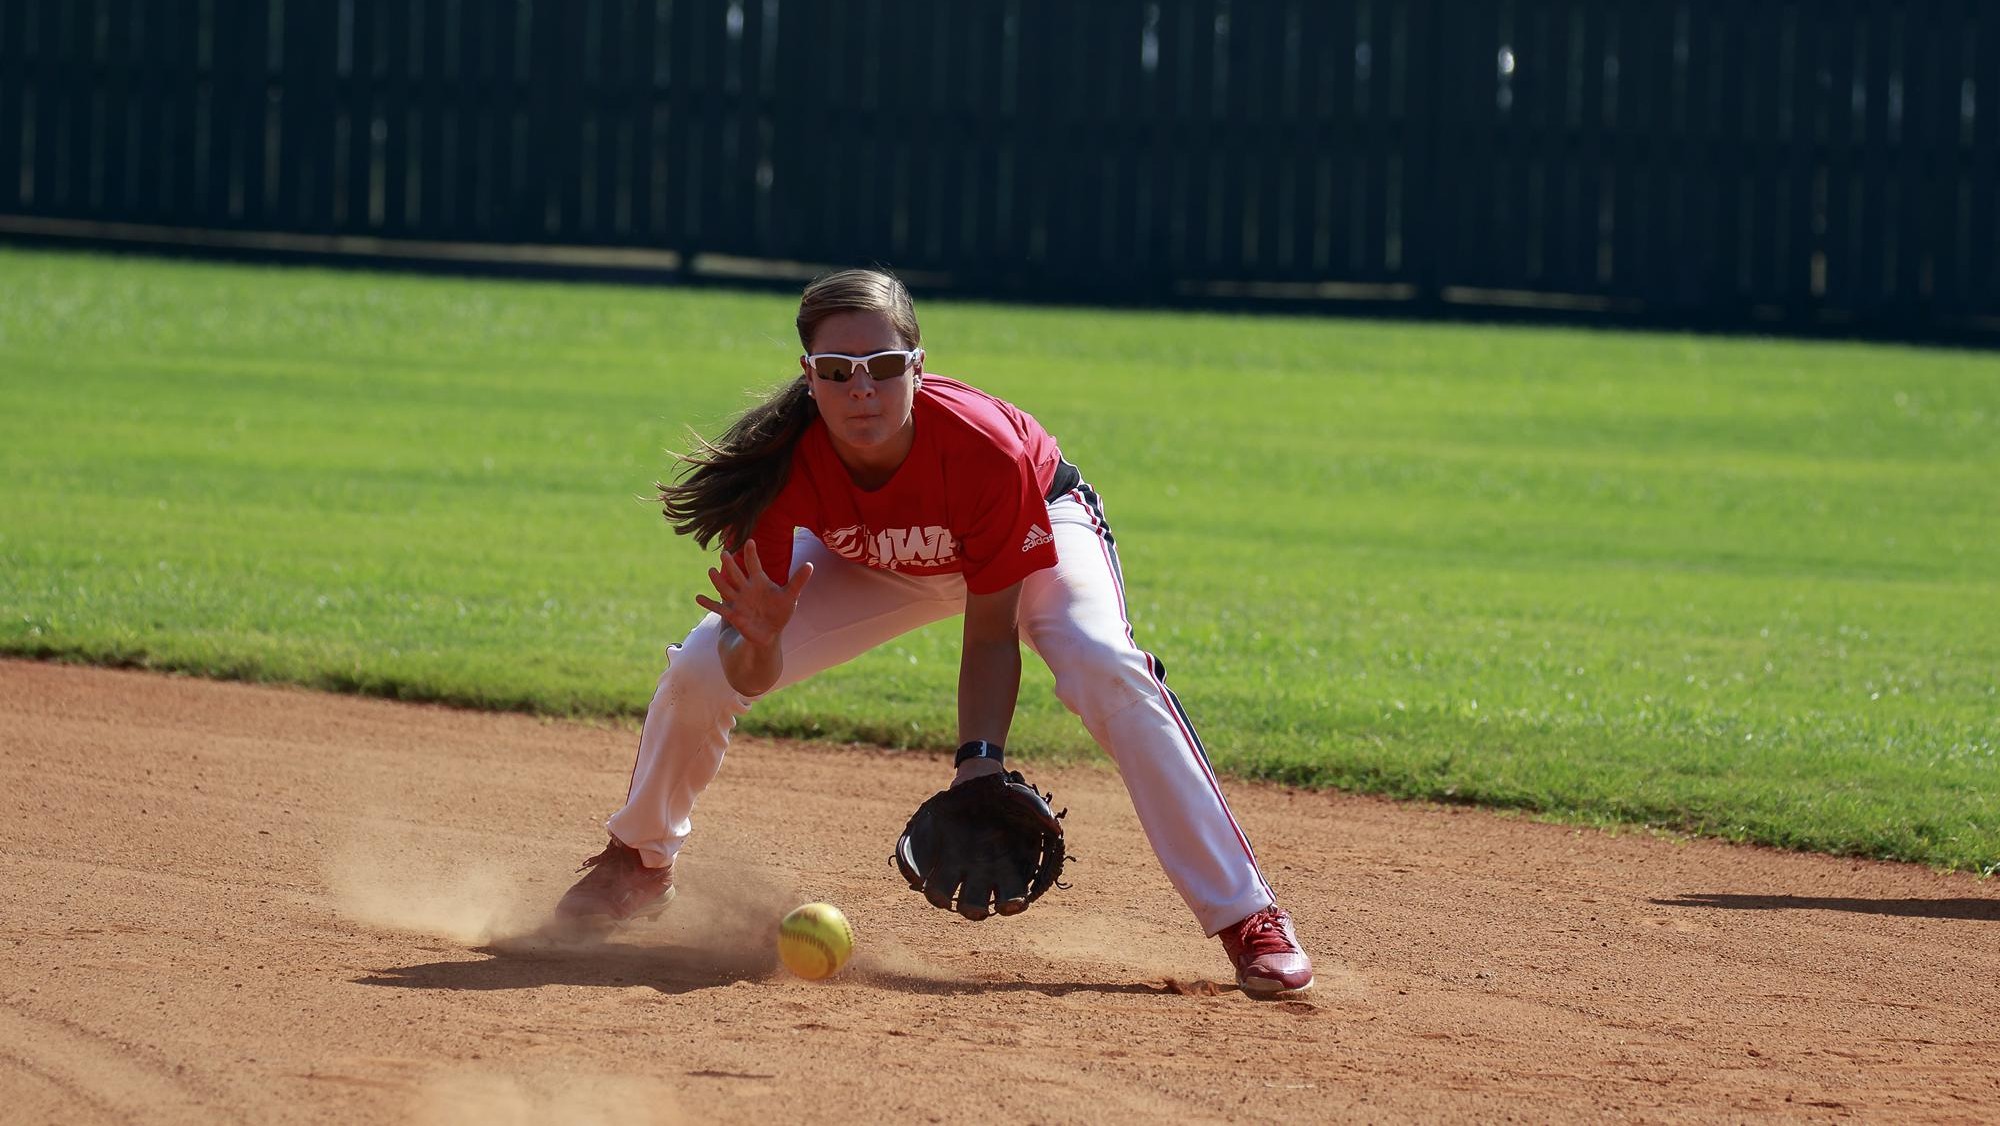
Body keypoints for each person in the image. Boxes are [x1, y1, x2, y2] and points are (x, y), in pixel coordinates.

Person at [554, 268, 1314, 996]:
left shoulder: (983, 448)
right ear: (807, 373)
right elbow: (748, 676)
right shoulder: (778, 475)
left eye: (883, 364)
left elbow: (991, 633)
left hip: (1033, 526)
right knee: (698, 669)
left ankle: (1247, 917)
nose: (862, 387)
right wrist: (760, 642)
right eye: (837, 367)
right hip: (868, 557)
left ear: (918, 366)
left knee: (1103, 664)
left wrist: (979, 764)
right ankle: (639, 862)